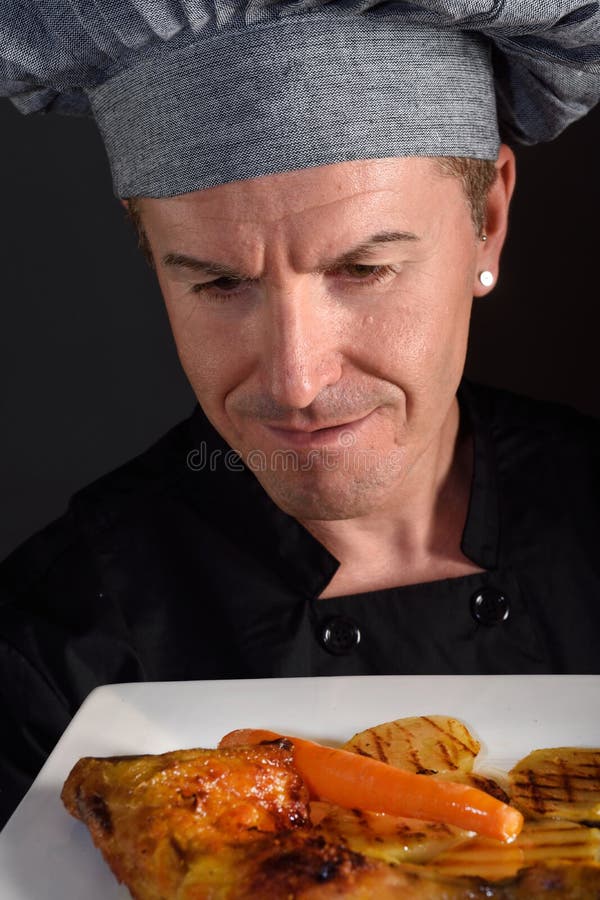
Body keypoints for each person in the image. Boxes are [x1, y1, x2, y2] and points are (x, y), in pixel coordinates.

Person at [0, 1, 599, 828]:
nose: (296, 380)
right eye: (218, 284)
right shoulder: (48, 652)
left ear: (487, 225)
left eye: (364, 269)